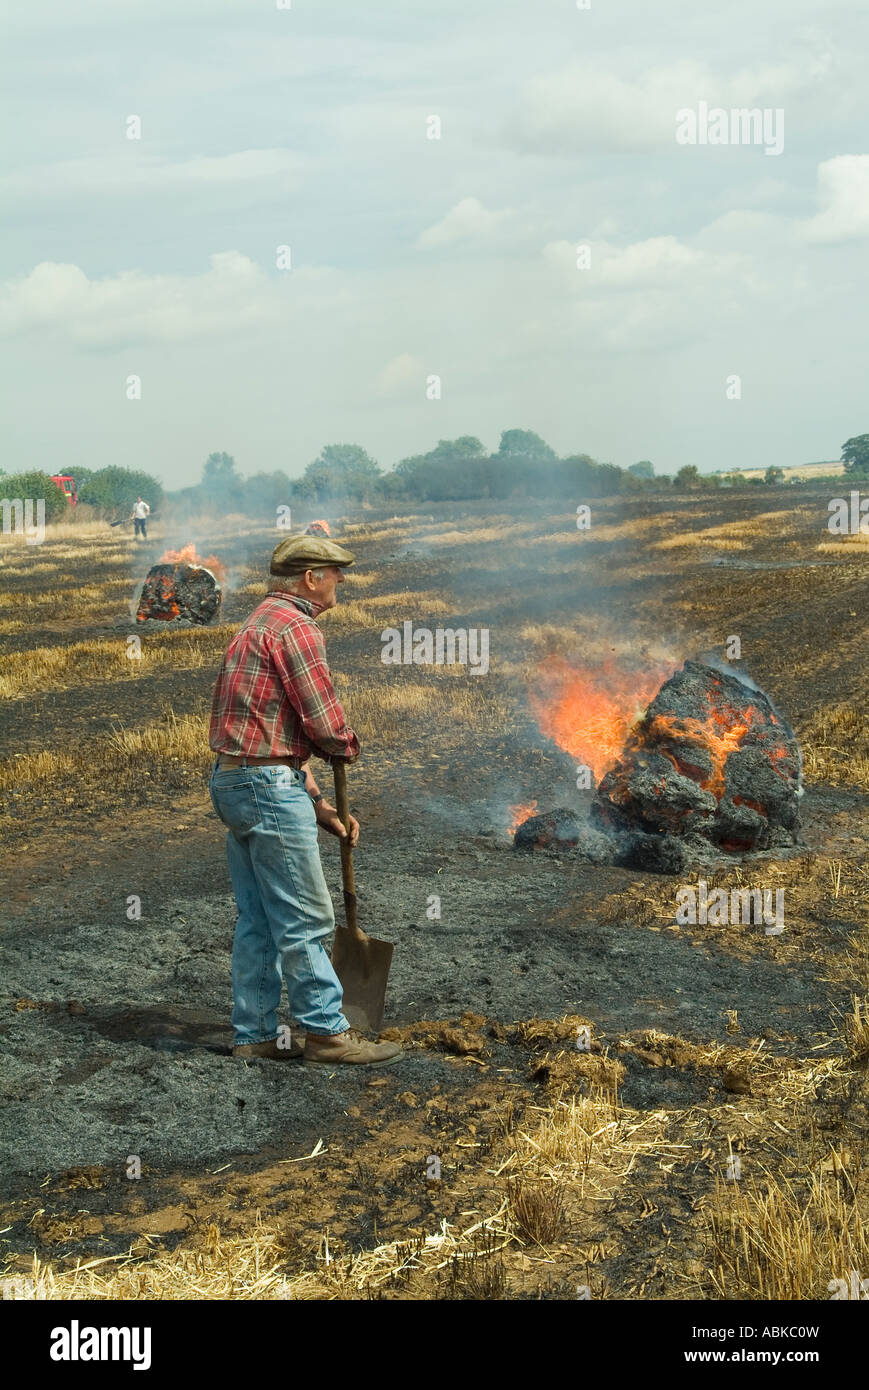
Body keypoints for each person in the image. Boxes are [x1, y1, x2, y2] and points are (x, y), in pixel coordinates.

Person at [208, 534, 402, 1067]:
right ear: (311, 577)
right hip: (268, 786)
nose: (342, 580)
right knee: (306, 917)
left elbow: (269, 728)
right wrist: (346, 745)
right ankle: (325, 1033)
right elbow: (320, 717)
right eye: (335, 572)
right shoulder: (297, 627)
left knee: (258, 920)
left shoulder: (256, 623)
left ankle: (254, 1034)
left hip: (236, 781)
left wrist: (316, 802)